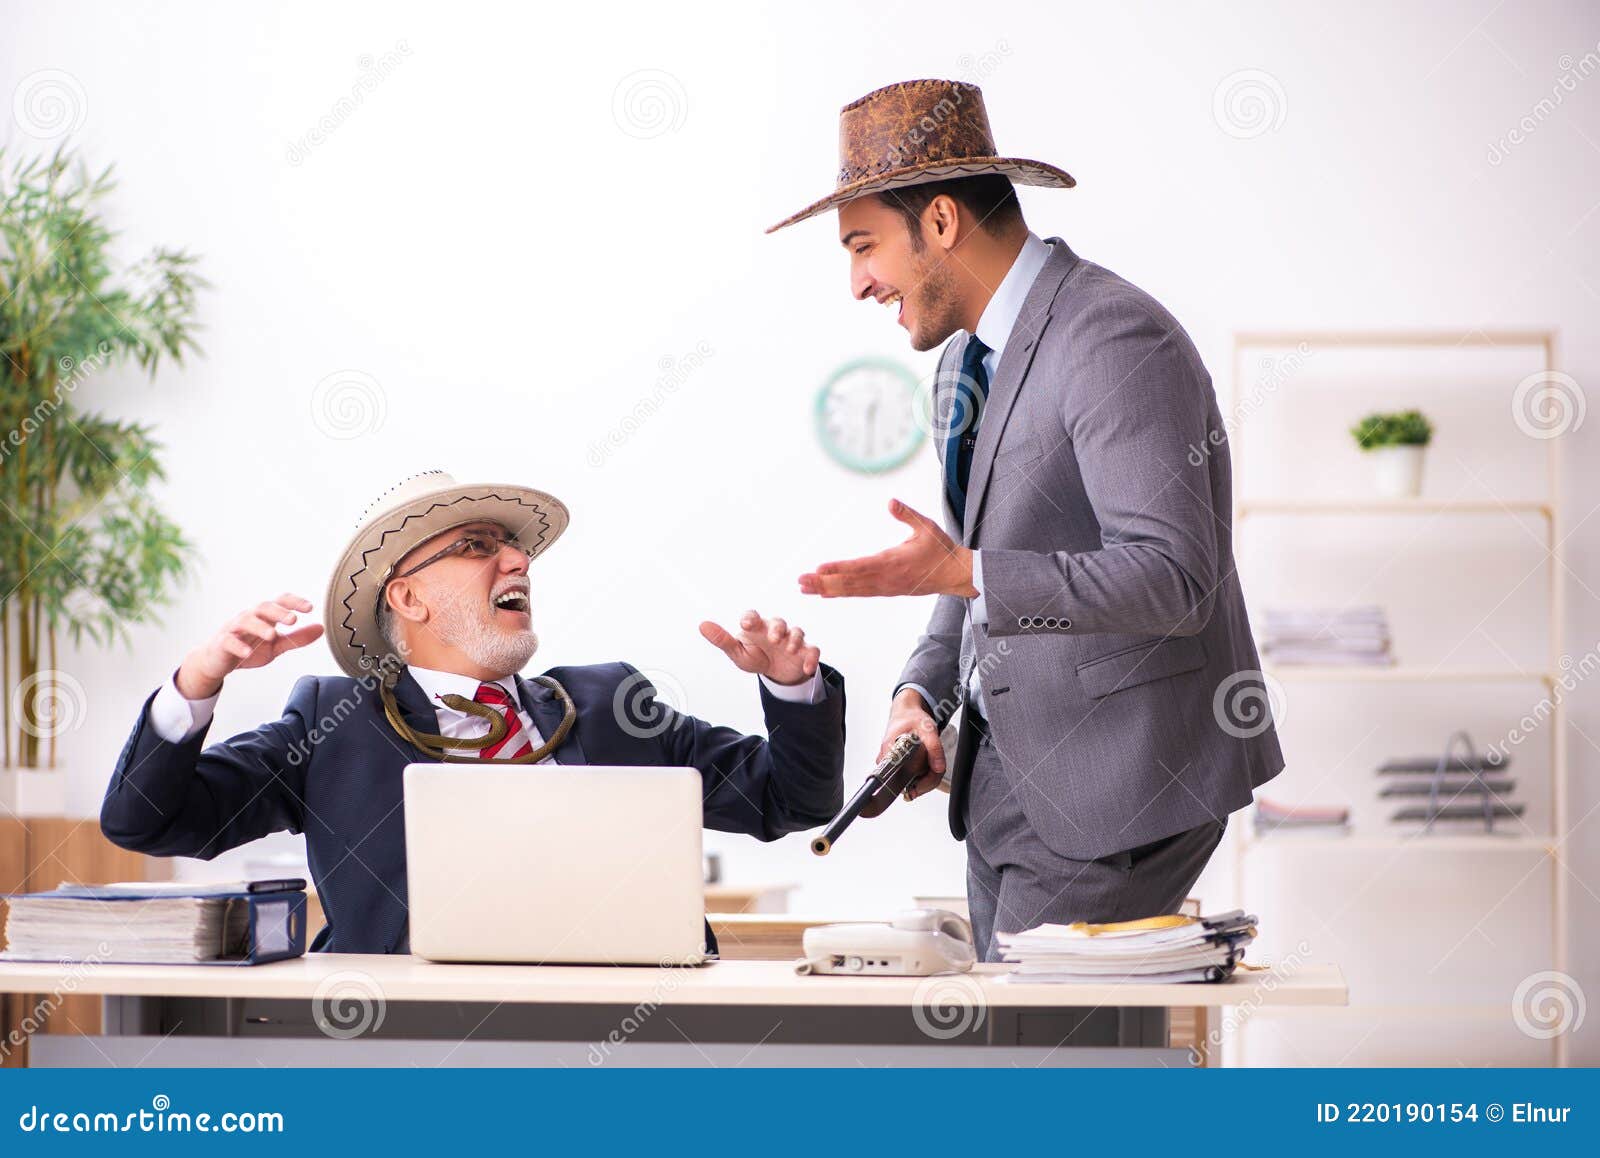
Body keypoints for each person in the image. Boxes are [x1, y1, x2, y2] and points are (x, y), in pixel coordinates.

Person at [769, 79, 1282, 959]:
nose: (857, 283)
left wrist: (966, 571)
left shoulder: (1113, 336)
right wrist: (918, 695)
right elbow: (966, 565)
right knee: (1014, 1038)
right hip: (1002, 787)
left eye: (863, 246)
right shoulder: (961, 364)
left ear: (939, 221)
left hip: (1117, 790)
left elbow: (1175, 576)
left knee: (1036, 1044)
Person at [100, 471, 846, 953]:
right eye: (477, 546)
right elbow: (150, 824)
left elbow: (792, 800)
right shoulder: (334, 724)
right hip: (412, 1051)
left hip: (623, 1041)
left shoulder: (612, 703)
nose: (517, 562)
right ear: (408, 597)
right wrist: (199, 680)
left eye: (515, 550)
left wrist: (793, 689)